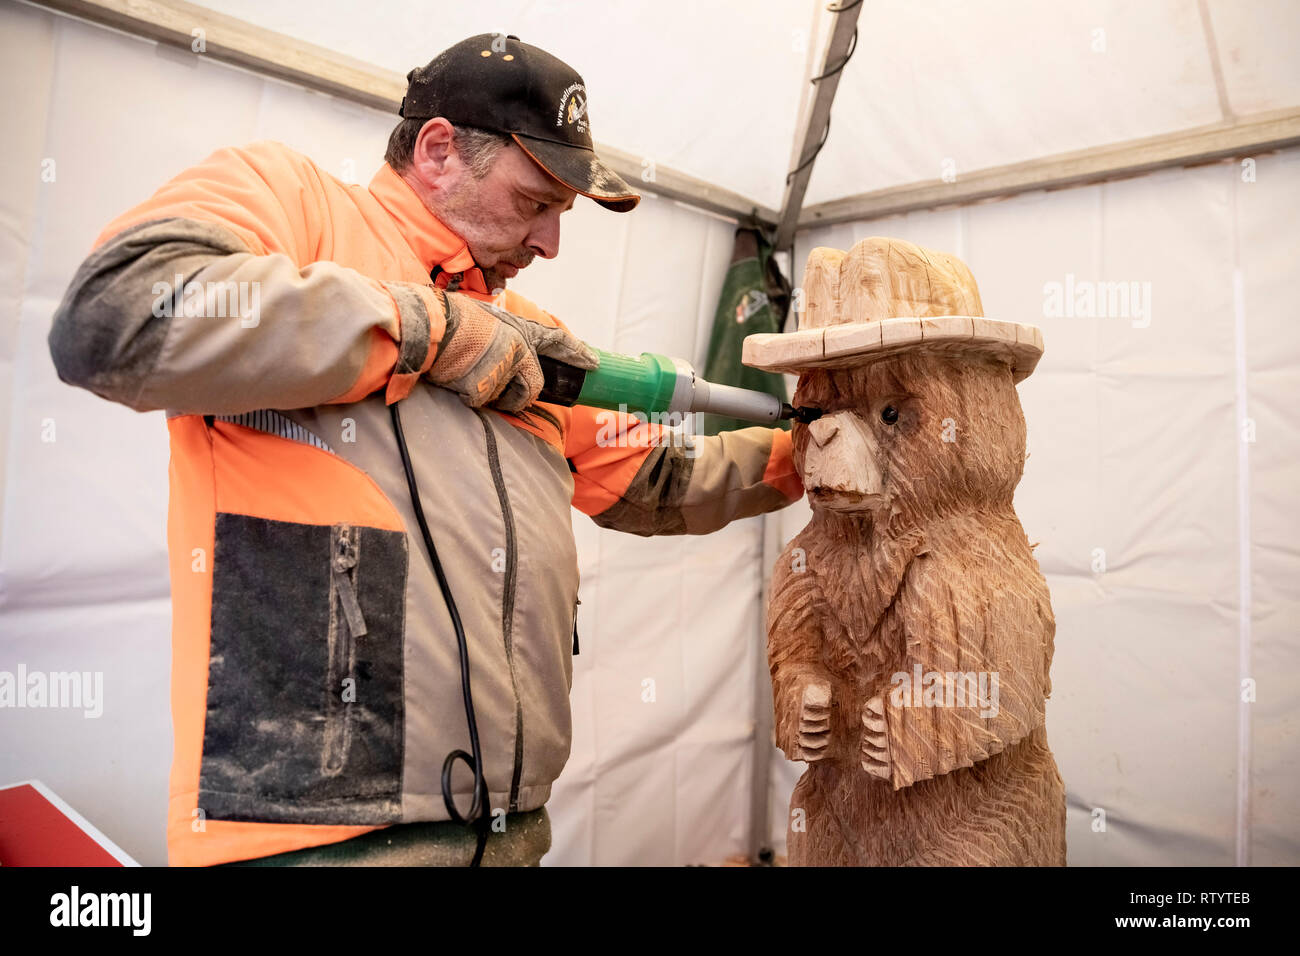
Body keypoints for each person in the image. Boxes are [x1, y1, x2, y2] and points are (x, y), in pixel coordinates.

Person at [47, 33, 803, 867]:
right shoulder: (295, 205)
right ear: (440, 149)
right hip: (318, 834)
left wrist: (806, 459)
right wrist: (420, 329)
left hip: (510, 829)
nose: (551, 243)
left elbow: (657, 478)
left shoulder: (531, 343)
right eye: (536, 201)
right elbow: (113, 318)